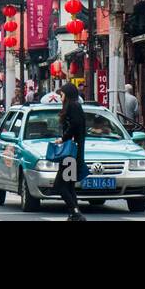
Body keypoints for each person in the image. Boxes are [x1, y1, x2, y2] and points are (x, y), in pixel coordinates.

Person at [54, 82, 87, 221]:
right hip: (72, 152)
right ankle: (74, 213)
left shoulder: (73, 106)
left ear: (66, 94)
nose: (60, 97)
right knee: (69, 185)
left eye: (61, 94)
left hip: (71, 154)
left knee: (60, 186)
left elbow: (75, 125)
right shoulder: (75, 106)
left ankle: (75, 213)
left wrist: (63, 138)